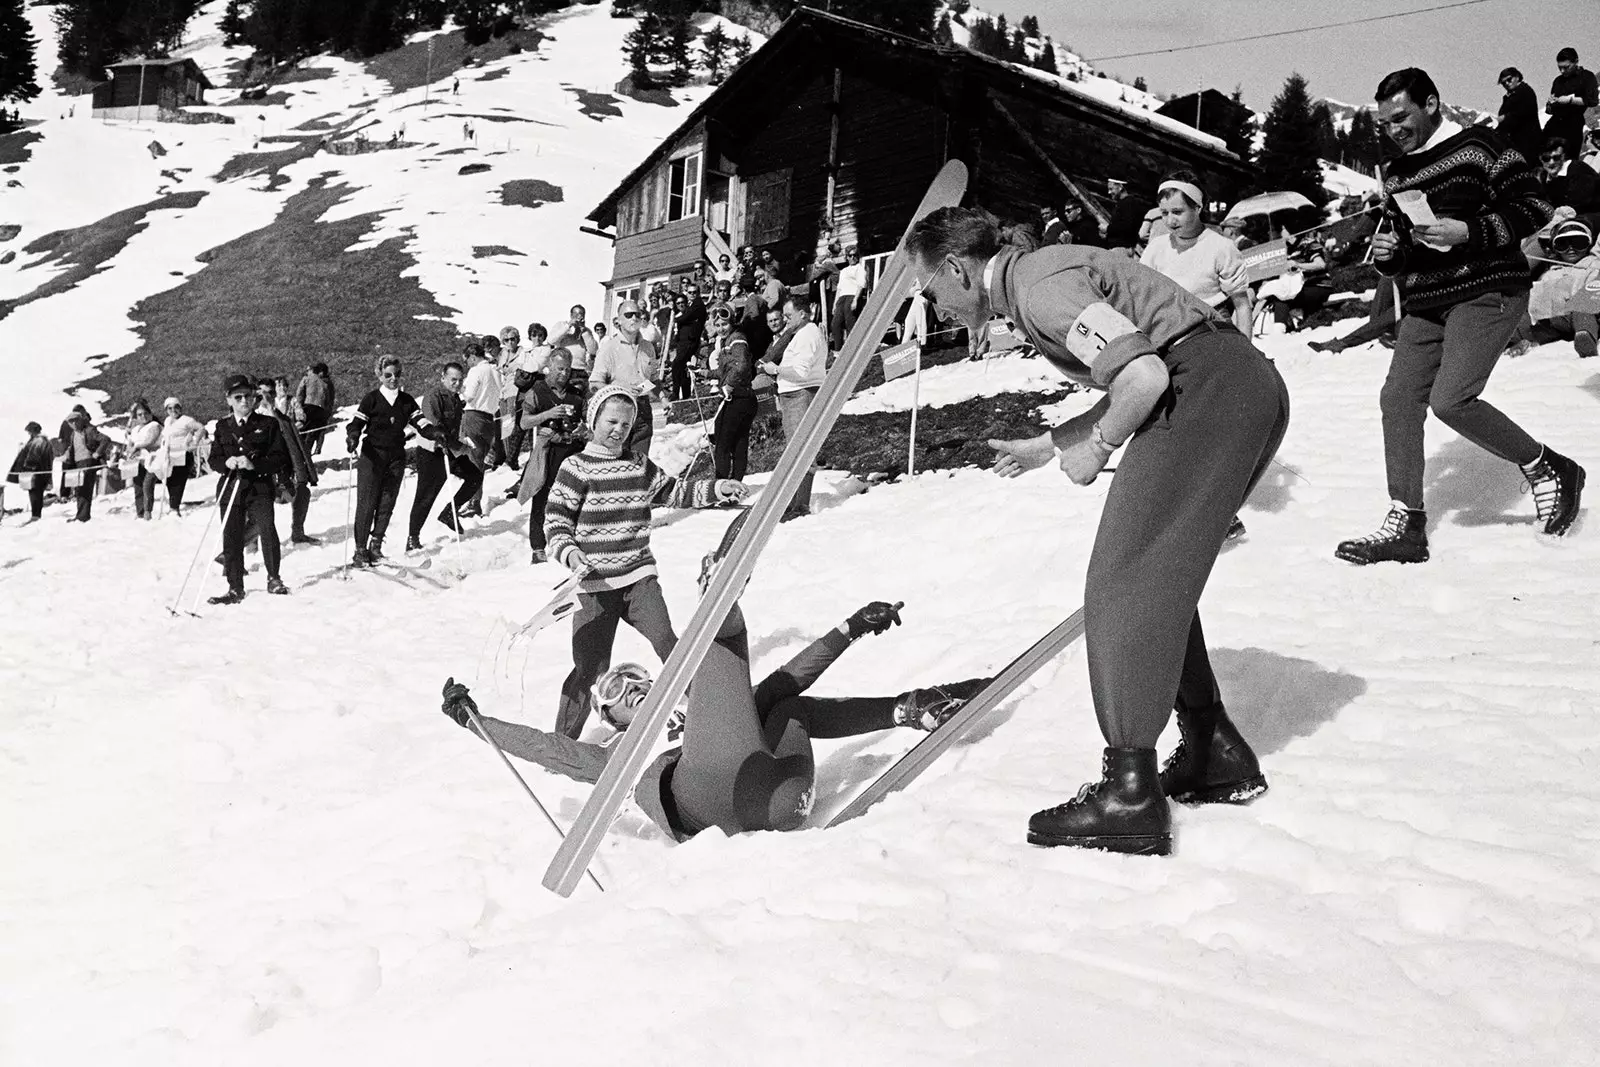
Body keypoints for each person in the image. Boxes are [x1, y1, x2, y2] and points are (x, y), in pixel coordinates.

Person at [910, 205, 1290, 857]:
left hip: (1206, 392)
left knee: (1119, 587)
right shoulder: (1038, 274)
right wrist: (1054, 441)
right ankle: (1211, 748)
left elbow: (1147, 378)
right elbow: (1142, 361)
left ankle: (1130, 794)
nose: (933, 307)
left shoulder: (1038, 289)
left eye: (929, 291)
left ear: (955, 268)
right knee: (1160, 578)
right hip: (1241, 383)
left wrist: (1098, 447)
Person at [440, 584, 987, 839]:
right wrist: (475, 721)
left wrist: (849, 628)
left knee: (782, 704)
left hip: (780, 801)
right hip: (700, 801)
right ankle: (721, 608)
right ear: (611, 722)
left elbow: (783, 683)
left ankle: (910, 710)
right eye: (614, 695)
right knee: (727, 695)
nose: (628, 689)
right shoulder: (615, 758)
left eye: (634, 678)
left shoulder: (697, 708)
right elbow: (547, 749)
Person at [1336, 67, 1582, 564]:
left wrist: (1468, 232)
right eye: (1385, 123)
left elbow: (1536, 206)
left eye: (1401, 116)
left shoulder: (1483, 147)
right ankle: (1407, 522)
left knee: (1452, 400)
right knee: (1398, 400)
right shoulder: (1399, 172)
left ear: (1432, 104)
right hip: (1427, 301)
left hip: (1487, 289)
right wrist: (1389, 253)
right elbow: (1407, 248)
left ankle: (1548, 466)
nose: (1393, 129)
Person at [543, 384, 748, 738]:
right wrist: (571, 552)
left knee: (668, 641)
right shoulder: (576, 467)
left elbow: (673, 491)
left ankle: (704, 709)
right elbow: (556, 520)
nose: (618, 430)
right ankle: (563, 741)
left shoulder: (638, 464)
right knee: (589, 668)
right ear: (594, 421)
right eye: (611, 421)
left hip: (638, 578)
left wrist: (716, 489)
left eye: (626, 424)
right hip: (595, 586)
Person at [345, 356, 439, 566]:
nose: (393, 379)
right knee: (367, 503)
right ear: (379, 375)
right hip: (373, 456)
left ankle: (375, 545)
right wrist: (352, 436)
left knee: (387, 502)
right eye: (388, 375)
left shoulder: (406, 400)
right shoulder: (372, 399)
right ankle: (360, 550)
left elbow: (420, 421)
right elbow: (357, 423)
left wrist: (434, 432)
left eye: (396, 374)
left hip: (395, 456)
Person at [208, 374, 291, 603]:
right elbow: (213, 459)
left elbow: (279, 458)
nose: (244, 401)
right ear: (229, 400)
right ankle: (235, 587)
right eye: (238, 397)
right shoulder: (223, 427)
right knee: (231, 536)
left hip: (259, 487)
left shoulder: (267, 424)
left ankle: (274, 578)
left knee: (267, 529)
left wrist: (254, 464)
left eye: (248, 396)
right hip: (230, 487)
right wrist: (226, 463)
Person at [1140, 173, 1253, 334]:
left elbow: (1241, 305)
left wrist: (1246, 351)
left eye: (1177, 212)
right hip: (1168, 327)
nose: (1170, 221)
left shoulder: (1221, 247)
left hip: (1211, 326)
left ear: (1197, 208)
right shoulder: (1156, 248)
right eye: (1164, 213)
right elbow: (1143, 296)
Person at [759, 292, 827, 521]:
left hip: (801, 395)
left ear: (802, 314)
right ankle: (795, 501)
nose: (785, 320)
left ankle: (801, 505)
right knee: (795, 450)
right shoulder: (800, 334)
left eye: (788, 316)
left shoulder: (808, 334)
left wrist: (775, 370)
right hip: (793, 395)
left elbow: (801, 371)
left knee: (800, 450)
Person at [516, 348, 584, 563]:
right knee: (542, 497)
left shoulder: (576, 394)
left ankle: (571, 541)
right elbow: (524, 422)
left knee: (573, 497)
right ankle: (538, 548)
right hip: (548, 451)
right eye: (559, 369)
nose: (563, 374)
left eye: (567, 369)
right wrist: (548, 415)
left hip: (572, 450)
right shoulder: (538, 390)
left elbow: (587, 422)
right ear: (549, 367)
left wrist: (581, 429)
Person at [409, 360, 482, 551]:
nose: (456, 384)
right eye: (452, 380)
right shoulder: (433, 396)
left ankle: (450, 511)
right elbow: (435, 428)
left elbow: (453, 428)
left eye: (459, 380)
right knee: (426, 496)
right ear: (443, 378)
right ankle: (412, 538)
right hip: (431, 452)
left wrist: (461, 443)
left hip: (449, 451)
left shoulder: (456, 399)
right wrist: (459, 447)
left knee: (475, 477)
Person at [1506, 218, 1600, 358]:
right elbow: (1524, 259)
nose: (1571, 249)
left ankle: (1585, 339)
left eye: (1578, 243)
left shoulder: (1593, 264)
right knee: (1517, 321)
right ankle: (1508, 343)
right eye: (1563, 244)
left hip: (1581, 314)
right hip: (1550, 322)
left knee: (1583, 310)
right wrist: (1551, 225)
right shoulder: (1548, 272)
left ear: (1589, 244)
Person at [591, 298, 661, 456]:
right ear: (618, 321)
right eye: (629, 315)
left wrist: (663, 398)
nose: (634, 318)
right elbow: (595, 383)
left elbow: (654, 380)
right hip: (618, 414)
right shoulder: (608, 348)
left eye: (638, 314)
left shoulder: (648, 347)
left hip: (643, 413)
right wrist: (621, 391)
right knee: (616, 464)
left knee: (640, 463)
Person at [258, 377, 318, 544]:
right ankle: (244, 547)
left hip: (284, 461)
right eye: (262, 393)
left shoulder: (282, 410)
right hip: (260, 466)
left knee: (301, 492)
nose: (266, 396)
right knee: (259, 506)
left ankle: (297, 532)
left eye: (269, 393)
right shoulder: (254, 414)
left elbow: (296, 423)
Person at [707, 304, 757, 481]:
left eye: (724, 324)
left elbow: (742, 365)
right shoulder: (727, 342)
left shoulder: (737, 339)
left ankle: (721, 485)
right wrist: (702, 373)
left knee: (722, 443)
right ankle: (735, 484)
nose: (721, 328)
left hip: (737, 398)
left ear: (732, 322)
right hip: (742, 398)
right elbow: (724, 371)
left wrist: (729, 385)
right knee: (737, 444)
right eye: (718, 325)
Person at [458, 341, 501, 517]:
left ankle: (474, 502)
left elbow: (469, 395)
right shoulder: (495, 370)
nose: (467, 363)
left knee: (473, 462)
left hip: (473, 416)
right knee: (480, 461)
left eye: (467, 359)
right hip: (489, 420)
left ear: (473, 357)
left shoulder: (476, 371)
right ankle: (475, 499)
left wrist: (460, 388)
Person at [57, 404, 110, 523]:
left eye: (76, 421)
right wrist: (65, 457)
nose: (74, 424)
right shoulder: (73, 434)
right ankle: (81, 515)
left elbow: (105, 439)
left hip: (88, 462)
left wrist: (97, 453)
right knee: (79, 489)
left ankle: (82, 517)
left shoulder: (89, 430)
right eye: (71, 422)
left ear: (81, 420)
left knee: (84, 489)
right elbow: (72, 448)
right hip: (78, 463)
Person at [1545, 48, 1599, 162]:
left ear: (1576, 62)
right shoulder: (1558, 81)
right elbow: (1550, 109)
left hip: (1572, 126)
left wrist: (1570, 100)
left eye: (1566, 67)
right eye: (1560, 68)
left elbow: (1592, 101)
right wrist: (1550, 103)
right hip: (1554, 125)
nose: (1563, 71)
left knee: (1566, 161)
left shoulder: (1587, 77)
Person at [1534, 136, 1600, 227]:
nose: (1551, 162)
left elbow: (1576, 207)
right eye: (1546, 158)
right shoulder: (1544, 176)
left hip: (1590, 217)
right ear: (1540, 159)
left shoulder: (1579, 170)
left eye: (1556, 157)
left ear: (1563, 156)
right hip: (1566, 217)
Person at [156, 397, 206, 515]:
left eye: (176, 407)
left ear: (180, 407)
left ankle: (175, 508)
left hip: (182, 454)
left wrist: (194, 442)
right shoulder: (167, 421)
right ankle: (173, 505)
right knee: (169, 480)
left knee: (178, 480)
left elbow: (201, 428)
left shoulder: (186, 420)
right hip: (169, 455)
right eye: (170, 408)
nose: (173, 410)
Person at [7, 422, 54, 525]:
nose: (29, 433)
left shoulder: (38, 441)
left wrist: (27, 468)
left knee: (35, 493)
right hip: (41, 472)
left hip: (37, 472)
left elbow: (33, 456)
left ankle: (35, 516)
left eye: (30, 431)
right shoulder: (42, 441)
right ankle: (36, 514)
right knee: (36, 493)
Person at [123, 398, 162, 520]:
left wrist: (136, 446)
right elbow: (130, 444)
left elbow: (150, 440)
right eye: (140, 414)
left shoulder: (155, 425)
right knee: (138, 486)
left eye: (145, 413)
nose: (143, 416)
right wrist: (130, 449)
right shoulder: (135, 430)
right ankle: (139, 511)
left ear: (150, 414)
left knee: (147, 484)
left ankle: (147, 511)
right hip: (138, 460)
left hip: (152, 459)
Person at [667, 282, 706, 402]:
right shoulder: (690, 305)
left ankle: (675, 393)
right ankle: (685, 396)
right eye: (690, 292)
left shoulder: (698, 304)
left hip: (690, 340)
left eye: (695, 292)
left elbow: (685, 317)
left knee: (677, 365)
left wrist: (676, 320)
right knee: (683, 369)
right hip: (683, 342)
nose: (692, 294)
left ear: (698, 293)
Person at [1496, 67, 1542, 165]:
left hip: (1528, 142)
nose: (1507, 84)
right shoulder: (1510, 96)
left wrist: (1504, 118)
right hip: (1516, 143)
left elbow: (1522, 113)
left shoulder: (1525, 92)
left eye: (1509, 80)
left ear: (1517, 77)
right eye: (1504, 83)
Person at [830, 246, 870, 351]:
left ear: (858, 256)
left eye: (855, 255)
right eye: (850, 255)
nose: (852, 258)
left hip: (852, 296)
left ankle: (852, 350)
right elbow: (839, 288)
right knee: (835, 324)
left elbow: (861, 284)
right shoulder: (843, 271)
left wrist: (855, 300)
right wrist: (835, 303)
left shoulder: (860, 268)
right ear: (846, 257)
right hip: (842, 298)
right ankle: (838, 350)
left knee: (850, 323)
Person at [294, 363, 335, 456]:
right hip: (320, 409)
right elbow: (329, 399)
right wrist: (327, 412)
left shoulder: (307, 378)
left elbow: (299, 393)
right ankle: (308, 453)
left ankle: (300, 453)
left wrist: (299, 405)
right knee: (313, 432)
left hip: (308, 406)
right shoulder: (326, 383)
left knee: (303, 430)